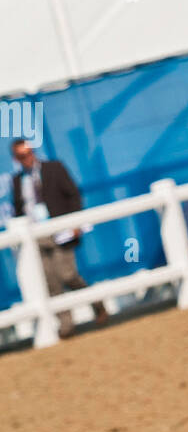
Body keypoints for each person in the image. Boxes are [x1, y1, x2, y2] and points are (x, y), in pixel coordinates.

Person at [10, 139, 108, 338]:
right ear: (16, 159)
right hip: (37, 236)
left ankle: (97, 304)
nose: (27, 158)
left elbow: (73, 195)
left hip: (60, 230)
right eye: (22, 156)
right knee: (51, 283)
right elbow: (19, 210)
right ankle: (66, 326)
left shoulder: (54, 168)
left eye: (29, 153)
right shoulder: (18, 181)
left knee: (68, 275)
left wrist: (75, 222)